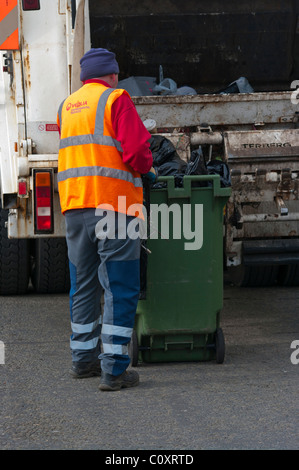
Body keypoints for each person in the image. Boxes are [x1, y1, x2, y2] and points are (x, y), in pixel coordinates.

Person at [57, 48, 154, 391]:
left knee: (83, 284)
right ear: (112, 74)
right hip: (113, 207)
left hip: (74, 208)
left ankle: (82, 361)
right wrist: (147, 170)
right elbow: (138, 152)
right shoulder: (117, 99)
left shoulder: (67, 106)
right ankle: (114, 370)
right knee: (121, 288)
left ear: (85, 77)